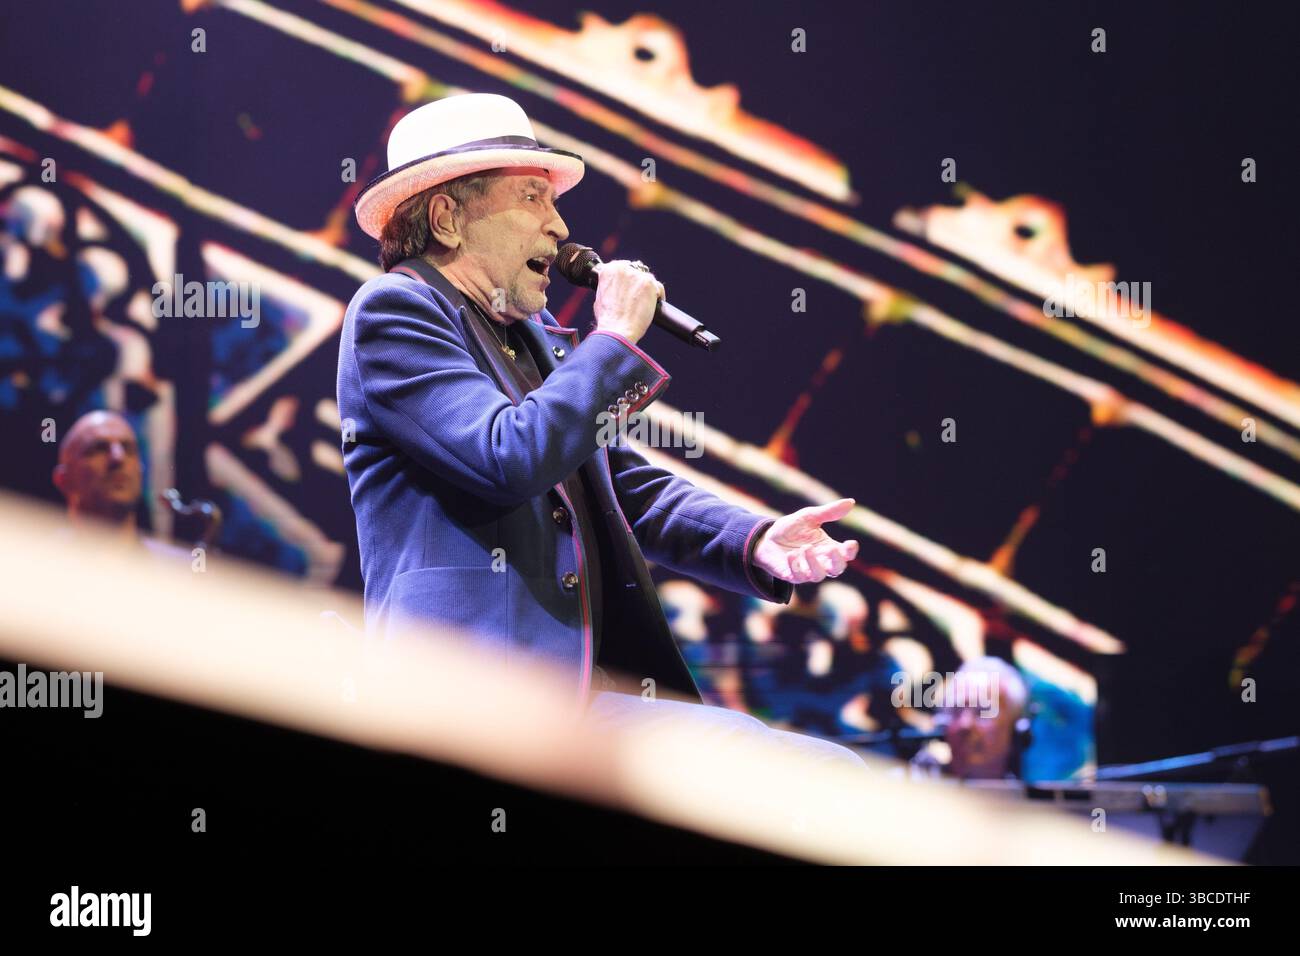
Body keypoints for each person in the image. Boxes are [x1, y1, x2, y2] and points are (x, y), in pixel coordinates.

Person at [339, 93, 863, 766]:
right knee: (804, 775)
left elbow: (622, 487)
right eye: (532, 198)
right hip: (470, 691)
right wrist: (612, 337)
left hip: (580, 694)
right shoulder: (397, 312)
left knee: (818, 774)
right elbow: (509, 456)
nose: (559, 227)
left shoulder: (534, 341)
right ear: (447, 217)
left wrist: (753, 540)